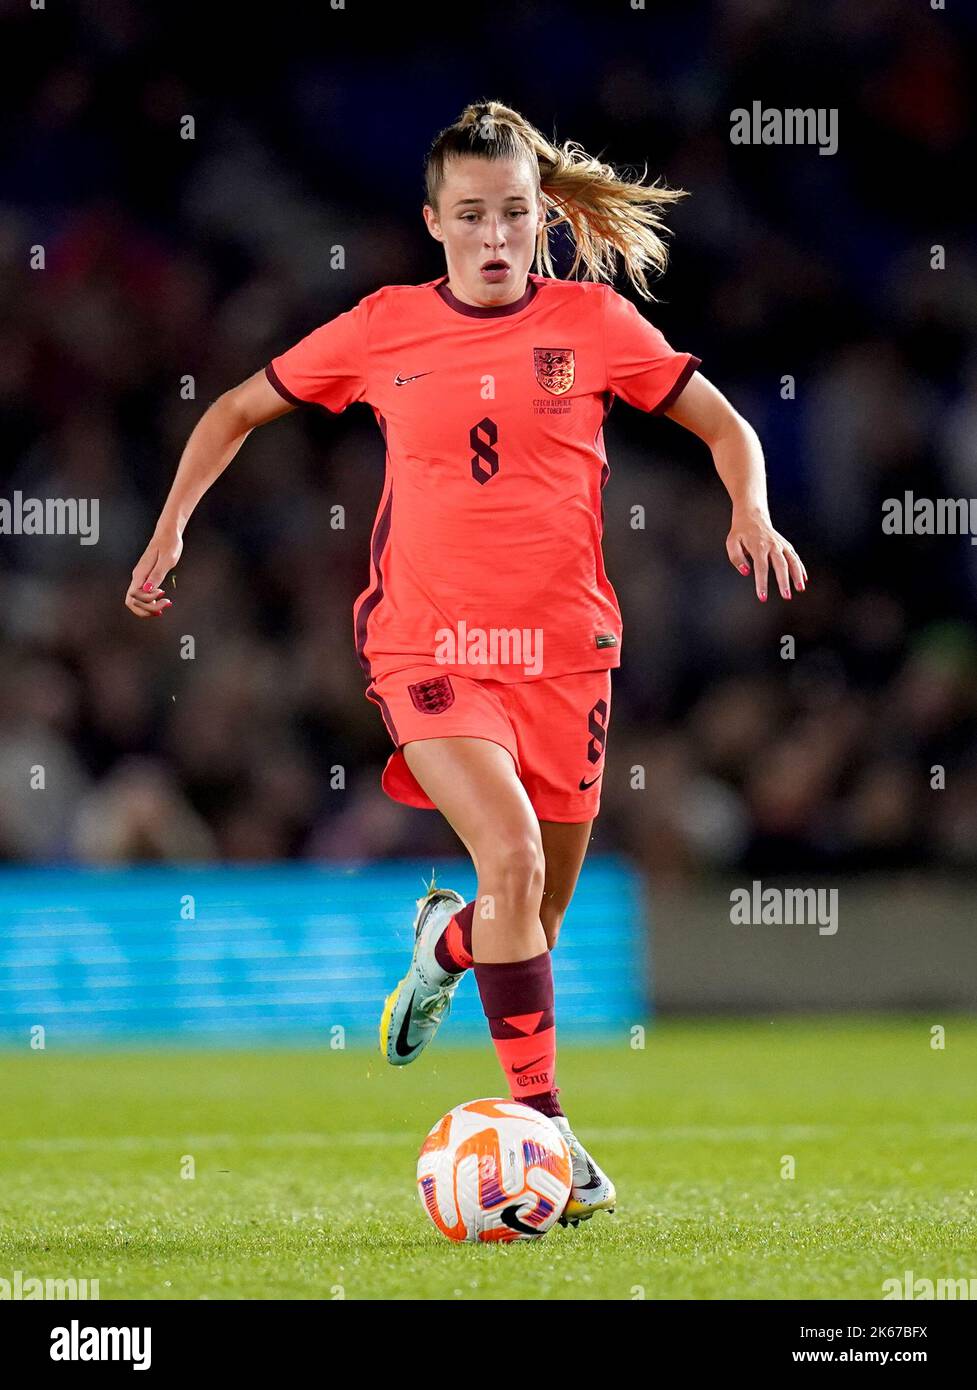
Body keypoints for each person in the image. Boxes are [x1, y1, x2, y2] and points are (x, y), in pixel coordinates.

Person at [125, 99, 807, 1227]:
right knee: (510, 856)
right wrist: (170, 530)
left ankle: (442, 947)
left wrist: (751, 508)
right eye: (473, 214)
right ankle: (546, 1132)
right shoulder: (382, 327)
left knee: (527, 911)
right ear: (434, 221)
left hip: (567, 656)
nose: (496, 236)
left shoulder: (593, 324)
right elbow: (236, 409)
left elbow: (725, 424)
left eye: (516, 214)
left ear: (542, 219)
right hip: (428, 648)